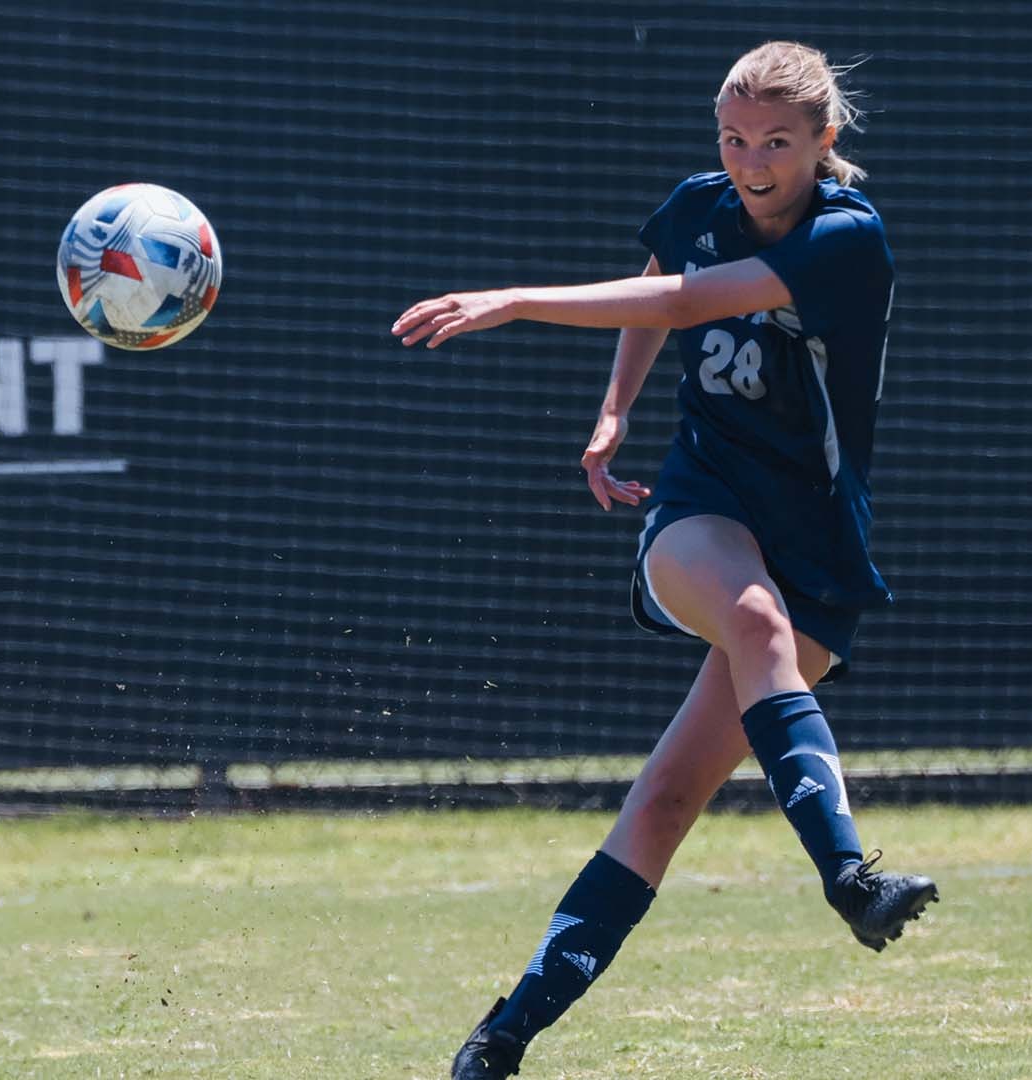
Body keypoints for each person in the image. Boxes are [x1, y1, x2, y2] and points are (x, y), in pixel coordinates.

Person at [392, 41, 938, 1079]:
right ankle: (852, 881)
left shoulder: (846, 239)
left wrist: (516, 299)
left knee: (666, 801)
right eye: (733, 138)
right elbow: (662, 277)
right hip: (703, 506)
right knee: (754, 623)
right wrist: (612, 411)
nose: (750, 161)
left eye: (777, 141)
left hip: (818, 543)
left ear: (825, 142)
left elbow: (685, 302)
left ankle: (504, 1034)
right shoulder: (701, 201)